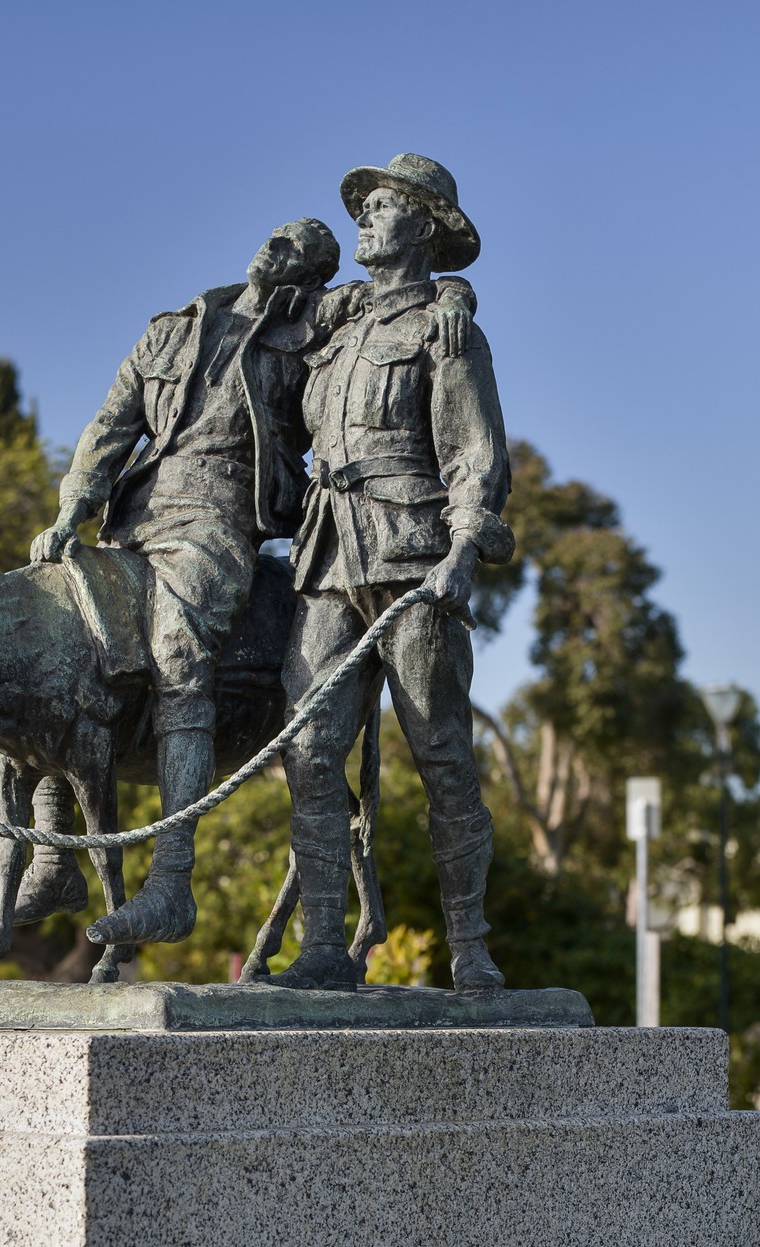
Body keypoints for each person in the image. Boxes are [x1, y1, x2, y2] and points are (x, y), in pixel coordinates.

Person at [28, 218, 341, 946]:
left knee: (178, 650)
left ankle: (171, 884)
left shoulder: (312, 336)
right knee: (50, 640)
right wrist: (71, 513)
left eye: (297, 248)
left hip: (219, 513)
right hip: (132, 514)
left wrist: (451, 296)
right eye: (276, 235)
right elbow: (109, 427)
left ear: (311, 278)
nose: (275, 246)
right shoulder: (172, 328)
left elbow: (393, 303)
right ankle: (51, 855)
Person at [275, 153, 514, 991]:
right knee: (309, 749)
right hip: (326, 557)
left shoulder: (445, 331)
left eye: (381, 206)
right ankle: (319, 947)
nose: (363, 219)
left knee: (440, 752)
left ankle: (469, 947)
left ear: (425, 224)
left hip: (411, 555)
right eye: (364, 207)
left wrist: (462, 551)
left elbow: (475, 453)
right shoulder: (335, 330)